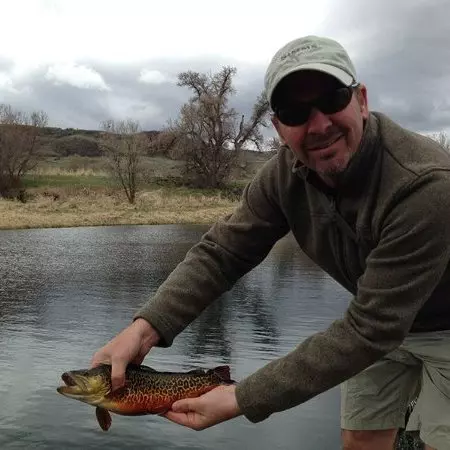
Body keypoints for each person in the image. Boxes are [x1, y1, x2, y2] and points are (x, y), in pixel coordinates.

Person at [91, 35, 450, 450]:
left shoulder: (424, 186)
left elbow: (369, 330)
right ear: (279, 128)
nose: (318, 125)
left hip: (437, 323)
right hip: (376, 321)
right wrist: (145, 328)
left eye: (332, 98)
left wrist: (242, 398)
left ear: (361, 100)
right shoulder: (285, 174)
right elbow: (222, 253)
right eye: (296, 112)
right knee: (361, 441)